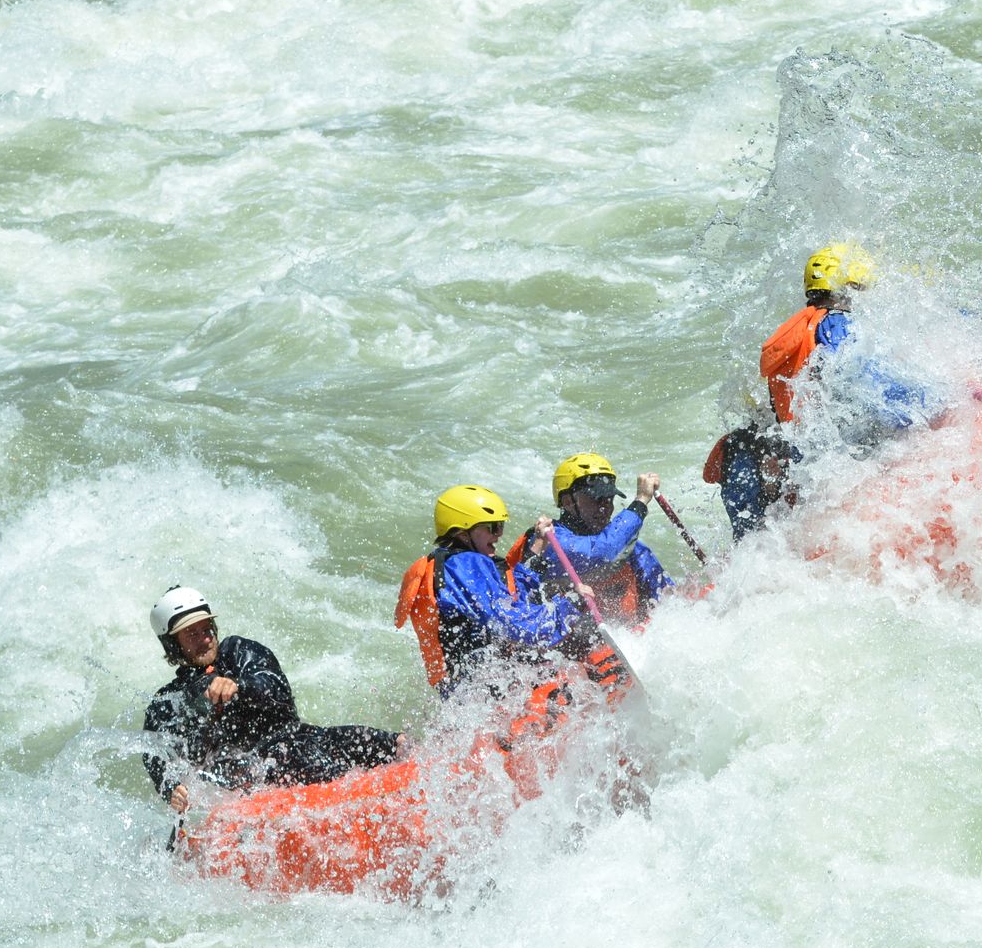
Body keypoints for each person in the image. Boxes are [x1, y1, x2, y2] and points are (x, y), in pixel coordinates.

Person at [707, 243, 936, 537]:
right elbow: (871, 384)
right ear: (849, 287)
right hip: (825, 462)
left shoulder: (793, 329)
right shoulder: (836, 324)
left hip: (785, 460)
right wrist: (934, 402)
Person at [141, 586, 405, 815]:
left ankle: (402, 749)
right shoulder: (167, 702)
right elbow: (155, 755)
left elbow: (275, 687)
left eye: (206, 628)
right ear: (173, 644)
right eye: (192, 634)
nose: (205, 639)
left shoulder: (240, 651)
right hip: (240, 777)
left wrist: (239, 686)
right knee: (269, 762)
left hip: (293, 744)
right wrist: (170, 788)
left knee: (354, 741)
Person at [395, 484, 602, 700]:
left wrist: (539, 543)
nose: (499, 534)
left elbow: (511, 597)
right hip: (479, 690)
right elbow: (514, 623)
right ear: (462, 533)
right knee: (574, 671)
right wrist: (570, 605)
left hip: (472, 686)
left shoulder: (459, 564)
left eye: (500, 525)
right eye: (492, 527)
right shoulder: (465, 566)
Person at [525, 454, 673, 626]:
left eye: (609, 499)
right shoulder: (550, 539)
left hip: (619, 633)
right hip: (563, 636)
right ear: (567, 502)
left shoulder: (626, 546)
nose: (605, 507)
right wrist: (640, 502)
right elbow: (604, 552)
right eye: (596, 499)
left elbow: (665, 594)